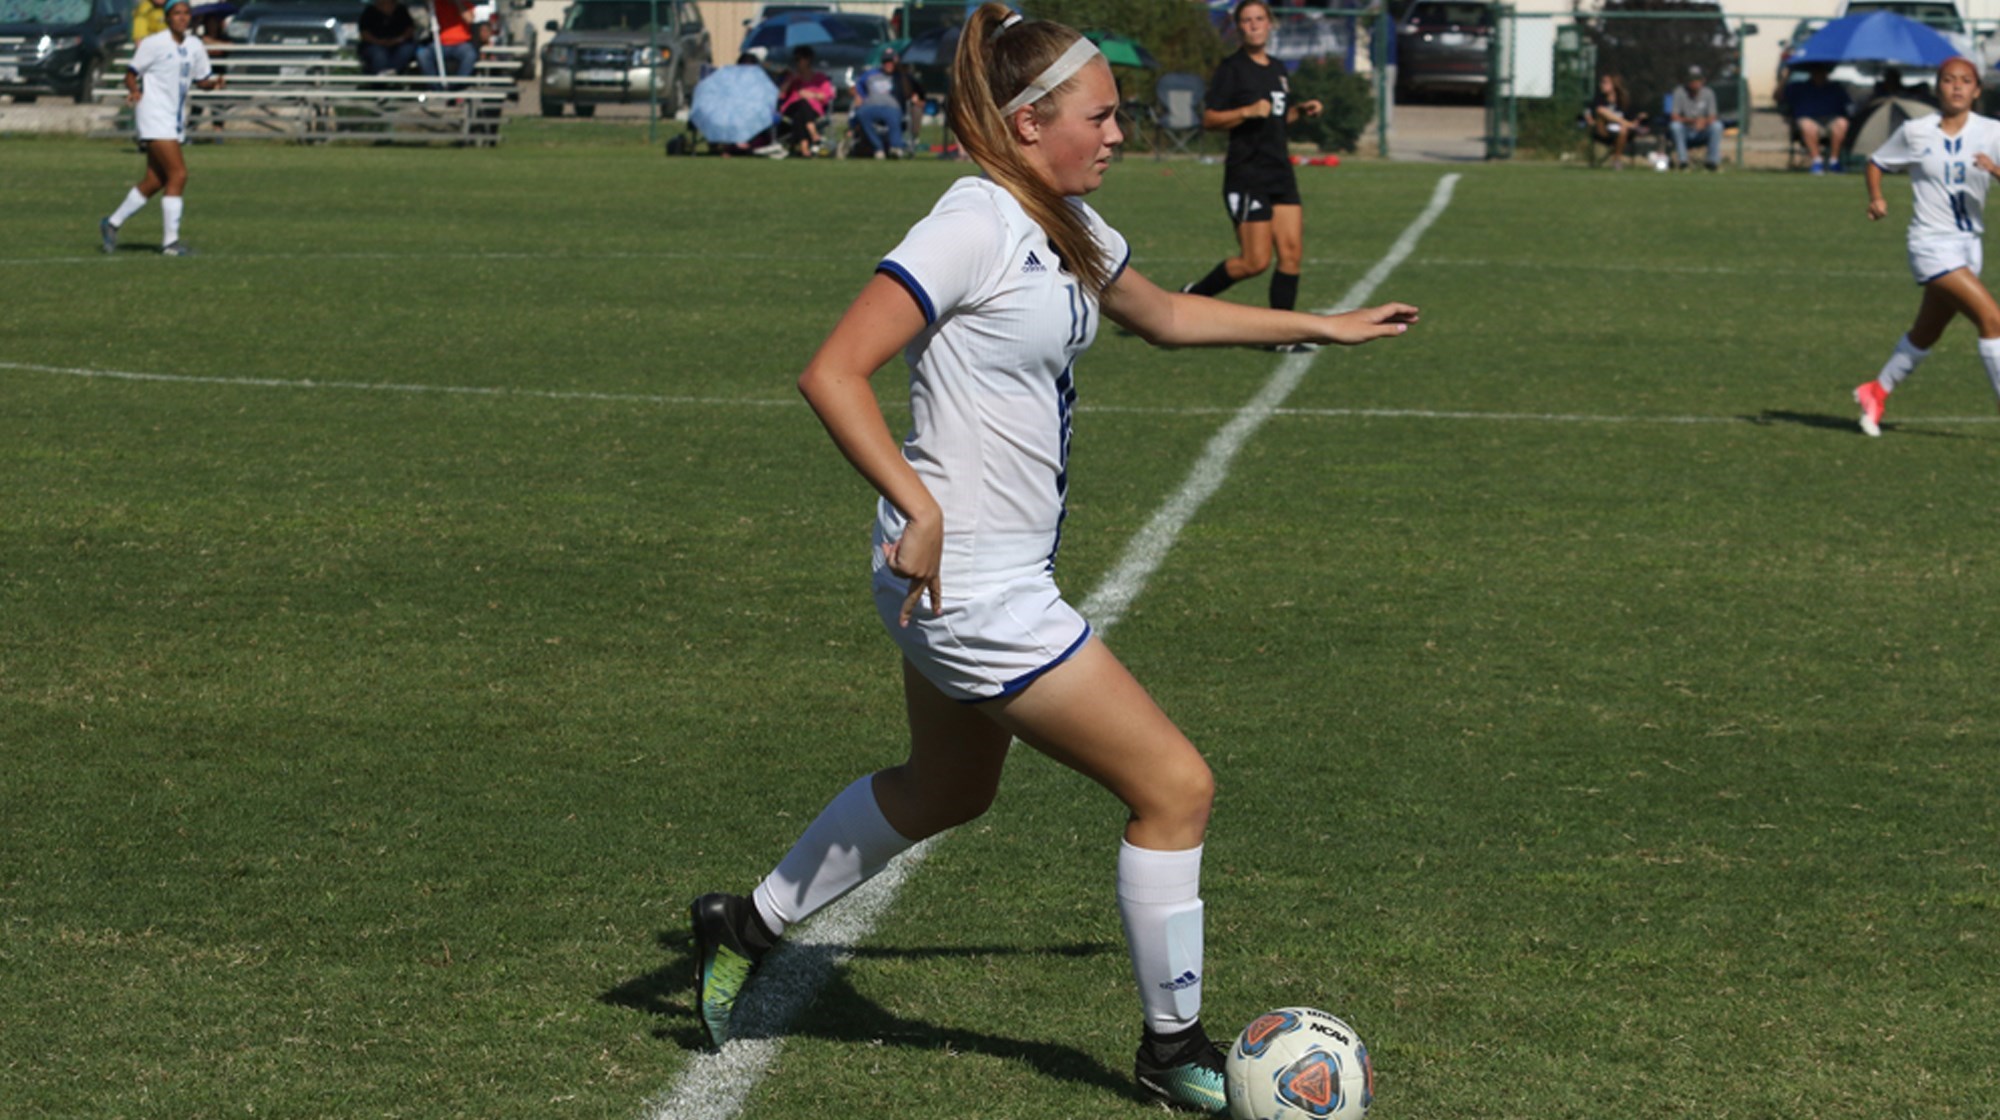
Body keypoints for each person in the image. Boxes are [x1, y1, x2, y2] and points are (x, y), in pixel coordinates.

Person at [686, 4, 1417, 1114]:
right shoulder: (972, 221)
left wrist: (1322, 325)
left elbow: (1164, 315)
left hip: (979, 579)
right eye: (1101, 116)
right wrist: (914, 503)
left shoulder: (1065, 220)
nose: (1120, 133)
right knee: (1175, 787)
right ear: (1029, 123)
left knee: (947, 787)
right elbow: (832, 371)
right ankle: (1170, 1049)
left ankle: (740, 925)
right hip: (968, 586)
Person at [1855, 56, 2000, 437]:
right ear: (1938, 87)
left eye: (1965, 80)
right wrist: (1876, 196)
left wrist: (1996, 170)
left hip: (1969, 246)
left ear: (1977, 90)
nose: (1957, 87)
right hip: (1930, 245)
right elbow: (1877, 162)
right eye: (1949, 80)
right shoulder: (1916, 131)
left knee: (1927, 331)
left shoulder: (1992, 132)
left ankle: (1876, 391)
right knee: (1992, 320)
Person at [1180, 0, 1325, 333]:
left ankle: (1282, 335)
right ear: (1239, 28)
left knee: (1291, 254)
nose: (1254, 25)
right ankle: (1194, 296)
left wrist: (1301, 111)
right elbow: (1210, 119)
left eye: (1260, 18)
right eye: (1247, 20)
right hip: (1247, 174)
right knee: (1254, 262)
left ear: (1270, 23)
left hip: (1280, 173)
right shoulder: (1231, 69)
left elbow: (1278, 119)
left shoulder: (1278, 68)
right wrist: (1245, 111)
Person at [99, 0, 223, 258]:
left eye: (186, 13)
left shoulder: (194, 45)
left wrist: (214, 84)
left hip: (174, 118)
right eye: (176, 13)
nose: (182, 17)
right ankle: (170, 244)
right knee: (179, 174)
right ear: (167, 18)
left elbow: (201, 80)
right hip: (153, 114)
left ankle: (111, 223)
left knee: (155, 180)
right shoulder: (154, 43)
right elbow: (130, 73)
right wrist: (134, 91)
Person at [850, 48, 925, 159]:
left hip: (892, 107)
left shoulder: (900, 77)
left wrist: (915, 97)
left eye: (891, 62)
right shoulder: (870, 74)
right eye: (886, 62)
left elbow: (915, 91)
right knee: (861, 114)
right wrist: (857, 95)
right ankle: (878, 147)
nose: (888, 64)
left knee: (893, 117)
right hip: (870, 106)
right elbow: (854, 87)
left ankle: (896, 147)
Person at [1789, 64, 1853, 174]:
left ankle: (1834, 162)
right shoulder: (1798, 87)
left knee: (1842, 123)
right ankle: (1817, 161)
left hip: (1830, 121)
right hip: (1809, 120)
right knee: (1806, 124)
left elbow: (1849, 107)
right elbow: (1777, 97)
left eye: (1822, 71)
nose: (1819, 74)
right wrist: (1785, 76)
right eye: (1816, 72)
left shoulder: (1836, 88)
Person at [777, 44, 834, 157]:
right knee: (802, 104)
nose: (797, 63)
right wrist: (791, 80)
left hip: (812, 110)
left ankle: (804, 146)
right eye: (796, 60)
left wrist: (812, 95)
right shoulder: (792, 77)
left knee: (801, 112)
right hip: (792, 108)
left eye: (799, 59)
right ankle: (812, 132)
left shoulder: (820, 78)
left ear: (808, 60)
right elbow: (780, 94)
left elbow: (827, 95)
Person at [1669, 64, 1724, 171]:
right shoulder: (1679, 92)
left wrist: (1704, 122)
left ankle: (1712, 162)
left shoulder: (1709, 93)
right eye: (1691, 80)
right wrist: (1693, 121)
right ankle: (1683, 162)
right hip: (1685, 130)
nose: (1694, 83)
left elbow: (1713, 116)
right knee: (1675, 126)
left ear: (1702, 80)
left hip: (1702, 131)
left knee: (1717, 126)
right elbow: (1674, 116)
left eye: (1697, 80)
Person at [1589, 72, 1647, 170]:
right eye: (1601, 82)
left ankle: (1617, 160)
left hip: (1620, 132)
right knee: (1601, 110)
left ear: (1614, 85)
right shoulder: (1599, 99)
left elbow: (1635, 116)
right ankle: (1626, 124)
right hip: (1603, 130)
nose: (1601, 85)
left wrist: (1639, 118)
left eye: (1605, 82)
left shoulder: (1624, 101)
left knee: (1623, 129)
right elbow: (1592, 114)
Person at [416, 0, 479, 84]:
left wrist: (457, 3)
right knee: (423, 54)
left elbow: (469, 19)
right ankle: (436, 87)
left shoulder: (465, 3)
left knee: (470, 55)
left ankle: (456, 85)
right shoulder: (436, 3)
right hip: (441, 43)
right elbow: (427, 15)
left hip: (461, 43)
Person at [359, 0, 421, 76]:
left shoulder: (401, 10)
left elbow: (409, 30)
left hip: (399, 44)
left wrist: (397, 40)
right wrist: (379, 42)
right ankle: (380, 78)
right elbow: (364, 33)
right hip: (375, 44)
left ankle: (393, 72)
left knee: (407, 49)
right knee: (378, 54)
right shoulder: (369, 11)